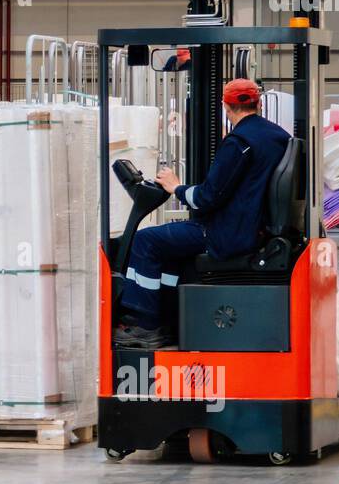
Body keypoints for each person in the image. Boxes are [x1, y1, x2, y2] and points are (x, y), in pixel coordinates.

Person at [114, 78, 292, 349]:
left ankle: (146, 324)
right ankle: (170, 320)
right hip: (250, 226)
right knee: (171, 250)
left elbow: (207, 198)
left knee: (145, 241)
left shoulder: (238, 142)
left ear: (226, 106)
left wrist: (176, 187)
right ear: (260, 103)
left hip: (225, 232)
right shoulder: (277, 136)